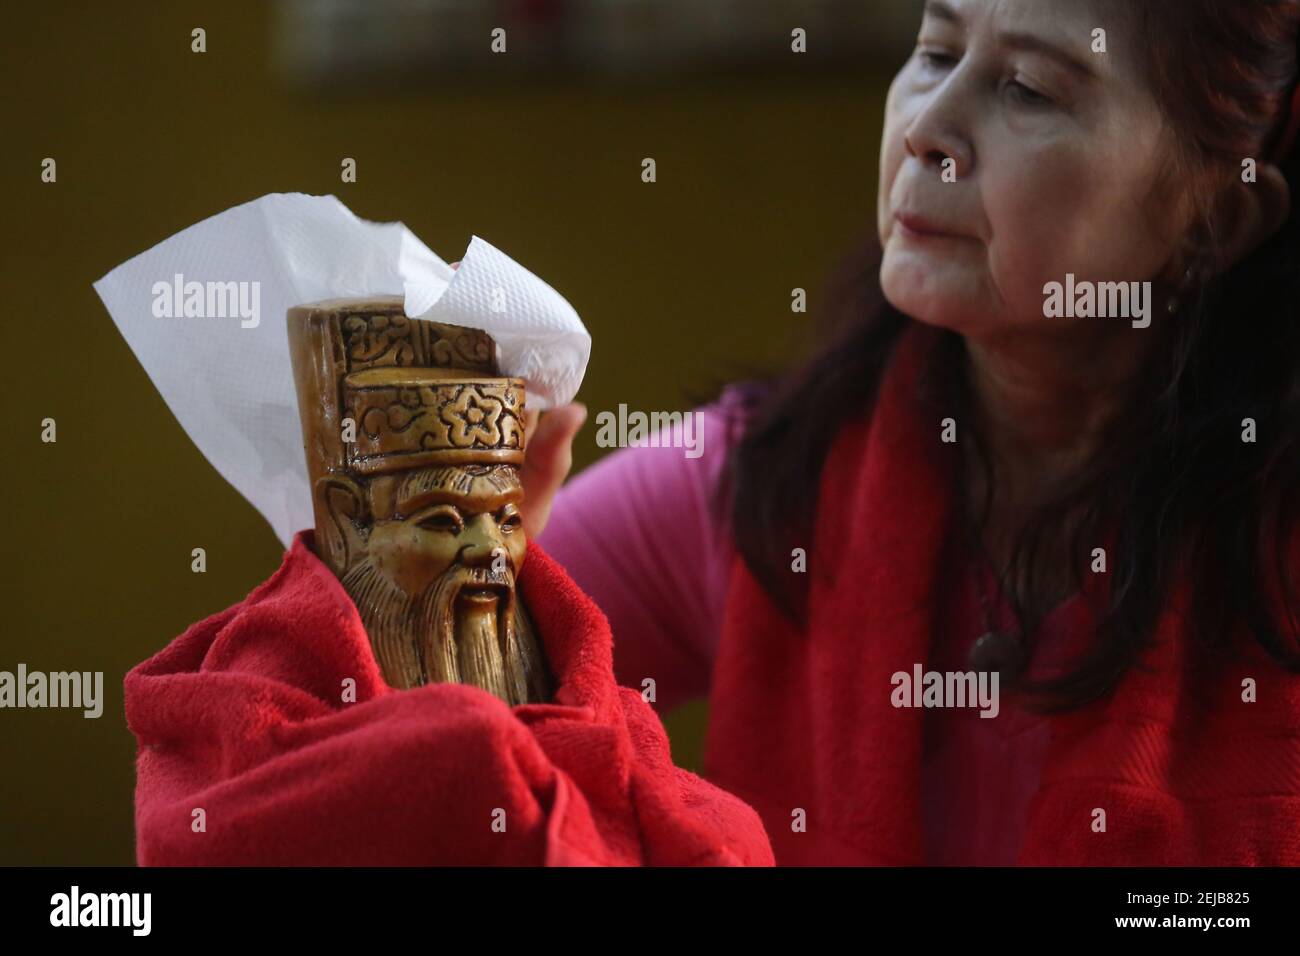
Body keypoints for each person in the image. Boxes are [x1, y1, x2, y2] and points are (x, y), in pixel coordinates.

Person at [534, 0, 1300, 865]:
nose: (926, 128)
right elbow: (398, 697)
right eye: (935, 53)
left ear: (1216, 219)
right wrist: (464, 572)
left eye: (1029, 89)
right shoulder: (763, 481)